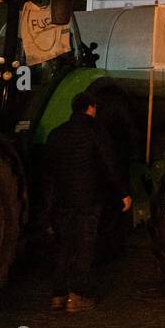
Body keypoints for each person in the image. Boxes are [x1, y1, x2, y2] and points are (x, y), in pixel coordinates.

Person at [43, 92, 130, 313]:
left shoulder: (56, 134)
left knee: (64, 246)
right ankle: (77, 295)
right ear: (91, 108)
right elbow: (109, 164)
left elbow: (49, 173)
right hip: (88, 198)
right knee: (84, 246)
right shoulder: (96, 132)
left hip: (62, 199)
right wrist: (123, 193)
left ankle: (58, 295)